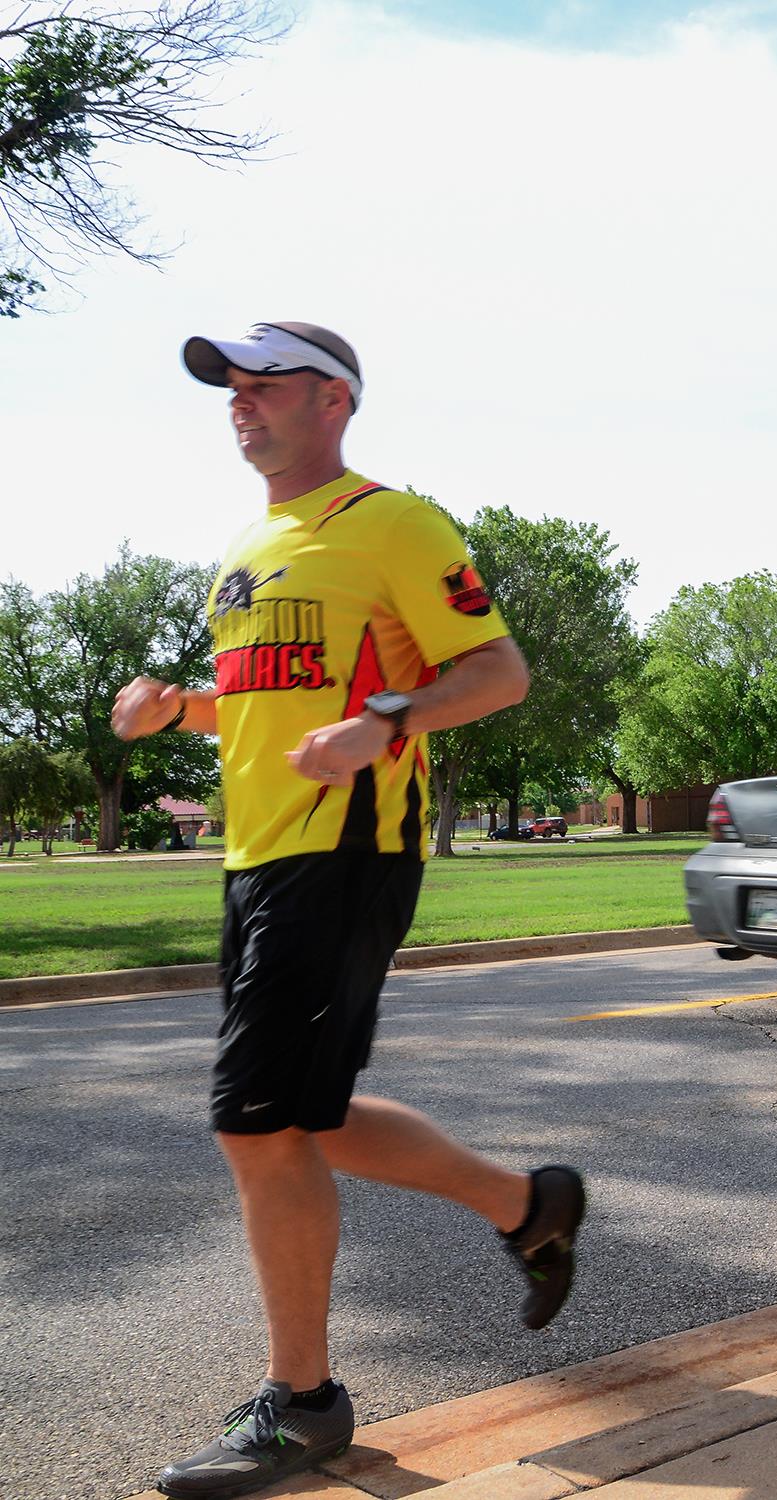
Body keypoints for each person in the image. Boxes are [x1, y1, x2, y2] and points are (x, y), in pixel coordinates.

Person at [115, 322, 585, 1497]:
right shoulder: (249, 545)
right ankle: (528, 1206)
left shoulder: (395, 524)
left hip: (348, 847)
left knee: (253, 1120)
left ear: (333, 399)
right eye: (230, 388)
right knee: (300, 1112)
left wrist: (384, 723)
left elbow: (498, 673)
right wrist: (179, 711)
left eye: (263, 384)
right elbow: (267, 703)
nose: (240, 403)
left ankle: (307, 1403)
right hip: (259, 855)